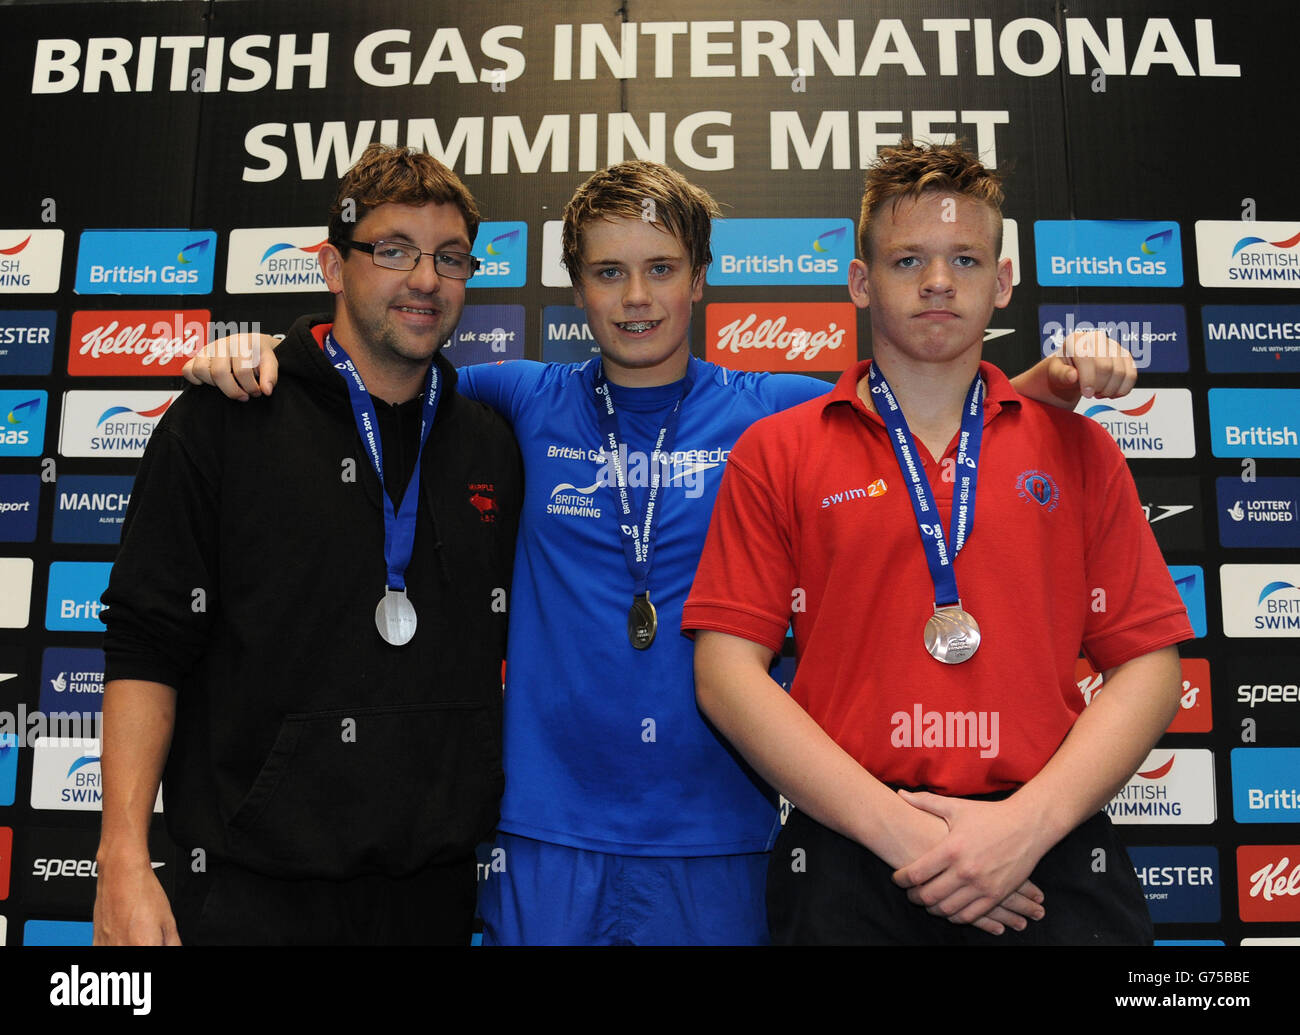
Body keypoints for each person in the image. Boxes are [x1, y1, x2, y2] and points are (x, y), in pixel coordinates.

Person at [187, 159, 1136, 944]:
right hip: (542, 830)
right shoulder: (516, 398)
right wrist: (260, 355)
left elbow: (925, 401)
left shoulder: (773, 412)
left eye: (661, 267)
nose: (636, 297)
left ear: (701, 276)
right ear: (575, 288)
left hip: (714, 832)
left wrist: (1053, 381)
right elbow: (381, 370)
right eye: (608, 272)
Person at [684, 141, 1193, 944]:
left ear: (1003, 282)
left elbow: (1151, 668)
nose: (937, 281)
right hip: (852, 847)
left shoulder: (1079, 448)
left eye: (965, 257)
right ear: (859, 281)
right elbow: (723, 674)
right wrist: (912, 839)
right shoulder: (779, 451)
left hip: (1049, 849)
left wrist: (1022, 829)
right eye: (907, 258)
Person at [93, 144, 522, 945]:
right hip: (251, 894)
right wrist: (121, 856)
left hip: (432, 896)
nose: (425, 279)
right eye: (392, 250)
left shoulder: (491, 444)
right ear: (333, 264)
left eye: (450, 257)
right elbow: (145, 641)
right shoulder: (222, 419)